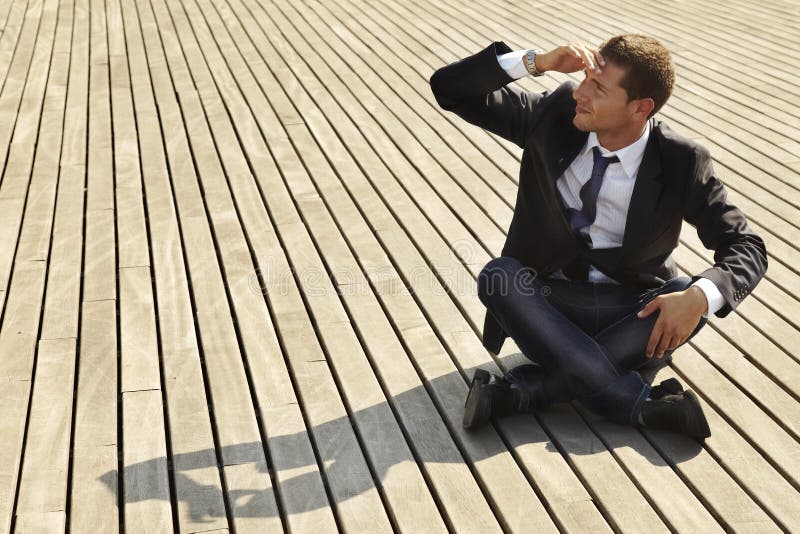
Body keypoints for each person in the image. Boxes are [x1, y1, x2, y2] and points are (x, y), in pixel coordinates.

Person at [429, 35, 768, 439]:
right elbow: (449, 89)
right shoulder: (555, 116)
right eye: (586, 78)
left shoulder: (680, 159)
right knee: (500, 276)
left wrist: (700, 298)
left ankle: (523, 392)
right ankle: (638, 404)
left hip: (633, 316)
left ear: (640, 109)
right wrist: (536, 61)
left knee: (683, 290)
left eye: (599, 88)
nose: (581, 93)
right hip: (549, 308)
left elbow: (747, 247)